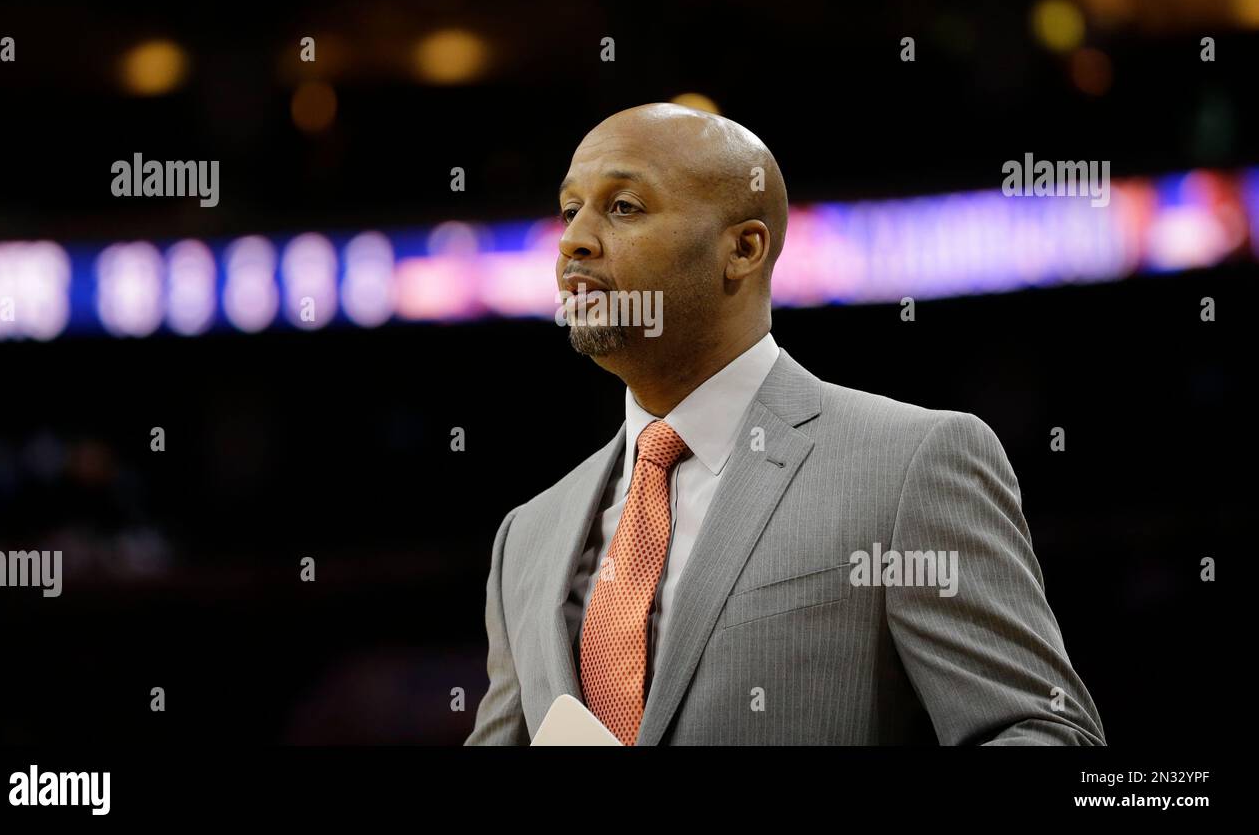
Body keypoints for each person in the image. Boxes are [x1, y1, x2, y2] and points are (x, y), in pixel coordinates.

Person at [464, 103, 1105, 745]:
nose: (574, 240)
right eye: (570, 210)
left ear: (743, 248)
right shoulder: (527, 535)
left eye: (624, 206)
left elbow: (1044, 732)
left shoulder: (911, 463)